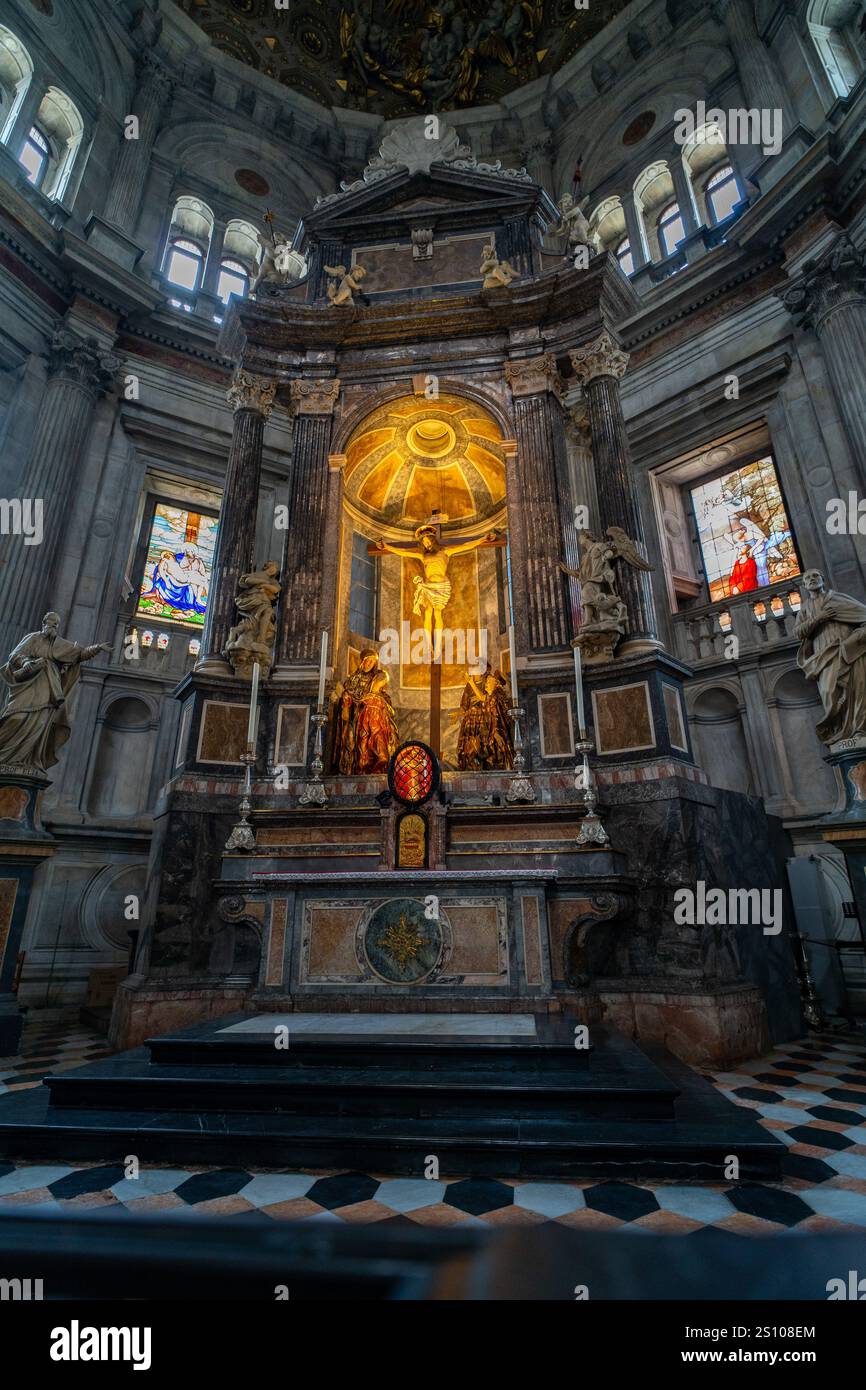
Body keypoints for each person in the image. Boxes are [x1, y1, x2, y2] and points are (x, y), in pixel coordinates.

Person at [0, 612, 111, 771]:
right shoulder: (33, 638)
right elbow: (14, 655)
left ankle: (25, 761)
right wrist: (25, 662)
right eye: (51, 623)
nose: (53, 627)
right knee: (15, 717)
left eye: (56, 625)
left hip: (48, 688)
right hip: (29, 684)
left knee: (39, 724)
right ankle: (4, 757)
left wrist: (98, 648)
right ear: (44, 623)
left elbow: (80, 654)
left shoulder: (60, 645)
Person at [795, 569, 866, 745]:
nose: (812, 579)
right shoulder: (805, 608)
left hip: (850, 651)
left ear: (823, 579)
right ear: (804, 585)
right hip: (824, 655)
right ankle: (840, 731)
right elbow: (798, 632)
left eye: (815, 576)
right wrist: (818, 618)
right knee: (829, 692)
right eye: (808, 578)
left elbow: (863, 616)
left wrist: (856, 637)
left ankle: (860, 731)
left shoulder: (839, 598)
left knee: (859, 691)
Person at [330, 649, 399, 775]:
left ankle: (379, 760)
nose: (368, 664)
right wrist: (346, 706)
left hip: (374, 714)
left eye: (372, 662)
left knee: (376, 717)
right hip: (357, 714)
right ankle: (361, 764)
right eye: (367, 661)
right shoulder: (354, 679)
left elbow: (384, 699)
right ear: (362, 662)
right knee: (357, 737)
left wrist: (374, 699)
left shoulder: (377, 677)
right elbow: (347, 692)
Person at [455, 664, 513, 770]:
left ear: (496, 684)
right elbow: (470, 703)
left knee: (495, 753)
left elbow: (495, 714)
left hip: (495, 731)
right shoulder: (491, 696)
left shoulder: (495, 697)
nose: (486, 685)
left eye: (488, 683)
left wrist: (495, 731)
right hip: (488, 729)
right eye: (486, 683)